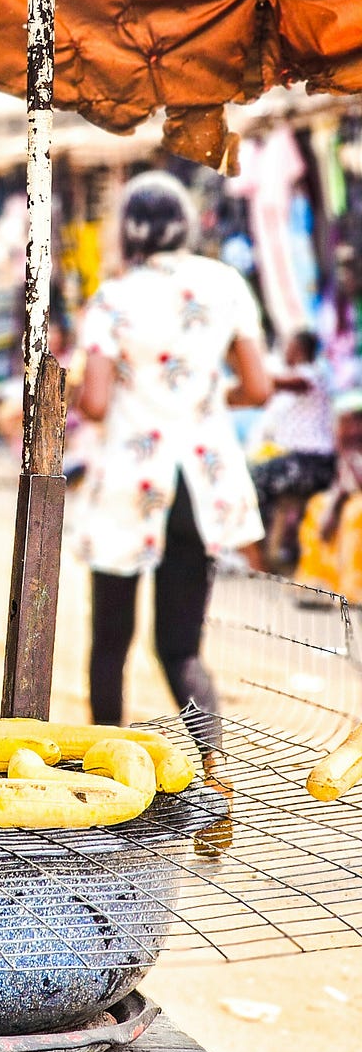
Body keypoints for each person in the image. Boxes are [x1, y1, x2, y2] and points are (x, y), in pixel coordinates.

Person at [74, 172, 271, 754]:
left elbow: (96, 402)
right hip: (203, 485)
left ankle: (108, 774)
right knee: (181, 646)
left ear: (129, 230)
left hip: (132, 486)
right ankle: (213, 774)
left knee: (112, 641)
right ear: (187, 224)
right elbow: (257, 387)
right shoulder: (227, 285)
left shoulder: (113, 298)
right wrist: (206, 399)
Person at [249, 330, 336, 563]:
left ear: (298, 349)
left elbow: (290, 383)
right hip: (299, 460)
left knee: (253, 480)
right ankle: (265, 552)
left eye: (288, 346)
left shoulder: (312, 374)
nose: (285, 351)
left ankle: (260, 554)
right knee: (254, 475)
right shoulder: (298, 377)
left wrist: (250, 375)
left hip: (313, 463)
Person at [294, 394, 362, 604]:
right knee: (319, 506)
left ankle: (353, 590)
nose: (351, 429)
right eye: (345, 422)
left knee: (354, 513)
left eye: (356, 422)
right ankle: (319, 581)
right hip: (348, 499)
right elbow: (343, 486)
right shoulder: (347, 451)